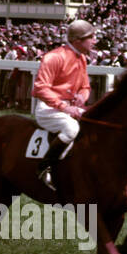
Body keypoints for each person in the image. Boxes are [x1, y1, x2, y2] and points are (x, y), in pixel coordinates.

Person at [32, 19, 97, 192]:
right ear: (77, 41)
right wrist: (64, 107)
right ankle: (44, 167)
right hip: (48, 109)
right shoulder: (53, 57)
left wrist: (82, 98)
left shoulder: (82, 58)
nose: (95, 40)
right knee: (72, 129)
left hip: (70, 108)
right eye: (91, 37)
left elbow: (85, 86)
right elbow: (40, 88)